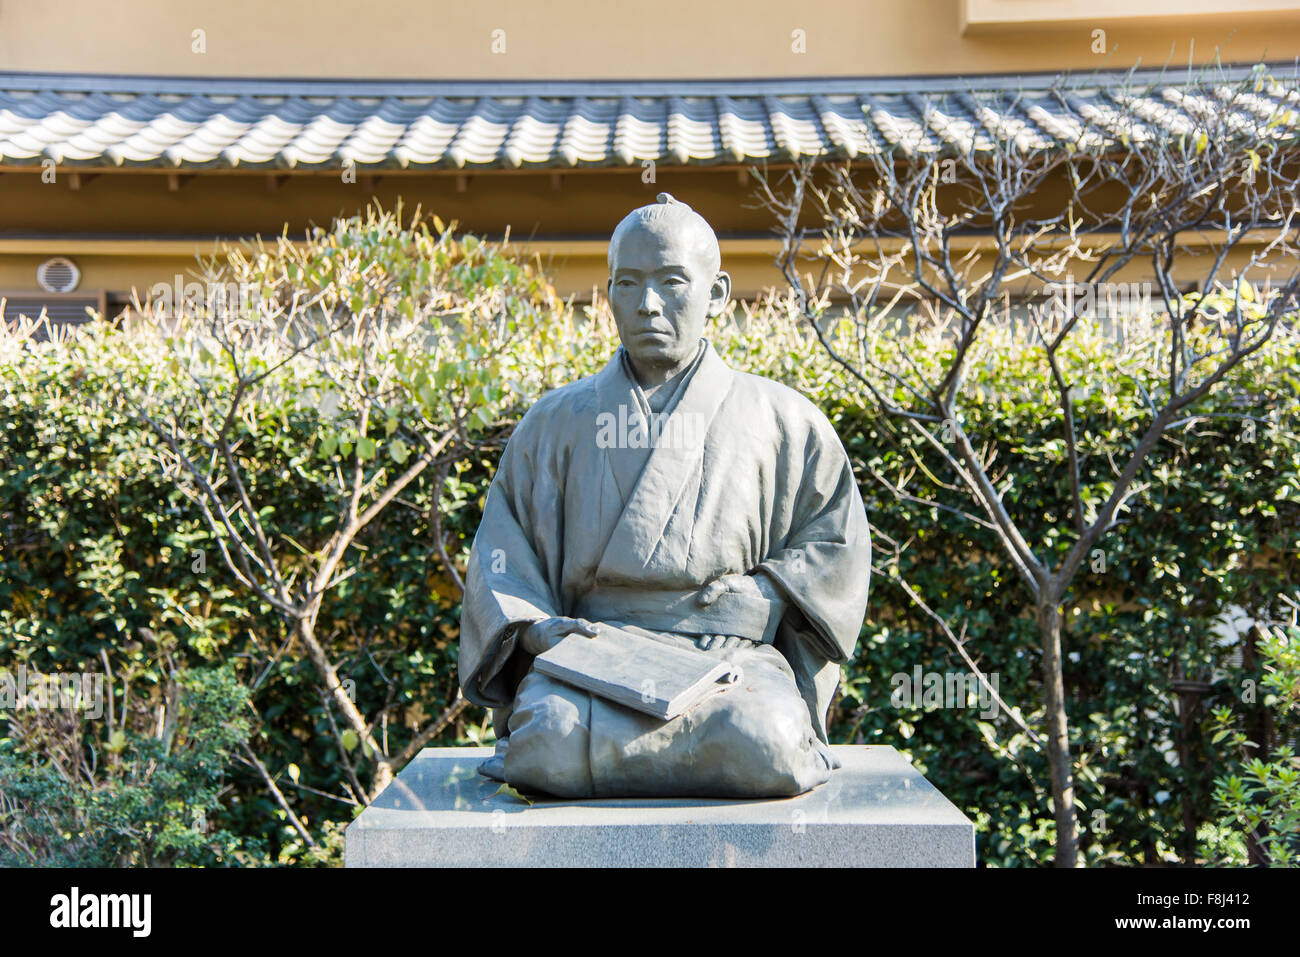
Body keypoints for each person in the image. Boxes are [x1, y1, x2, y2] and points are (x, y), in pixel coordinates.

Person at [458, 193, 870, 798]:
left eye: (672, 281)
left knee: (769, 743)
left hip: (732, 659)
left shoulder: (786, 420)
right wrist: (541, 631)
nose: (648, 304)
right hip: (593, 658)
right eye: (628, 284)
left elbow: (835, 539)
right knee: (545, 743)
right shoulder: (554, 422)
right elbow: (504, 553)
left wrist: (765, 595)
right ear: (609, 295)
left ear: (719, 294)